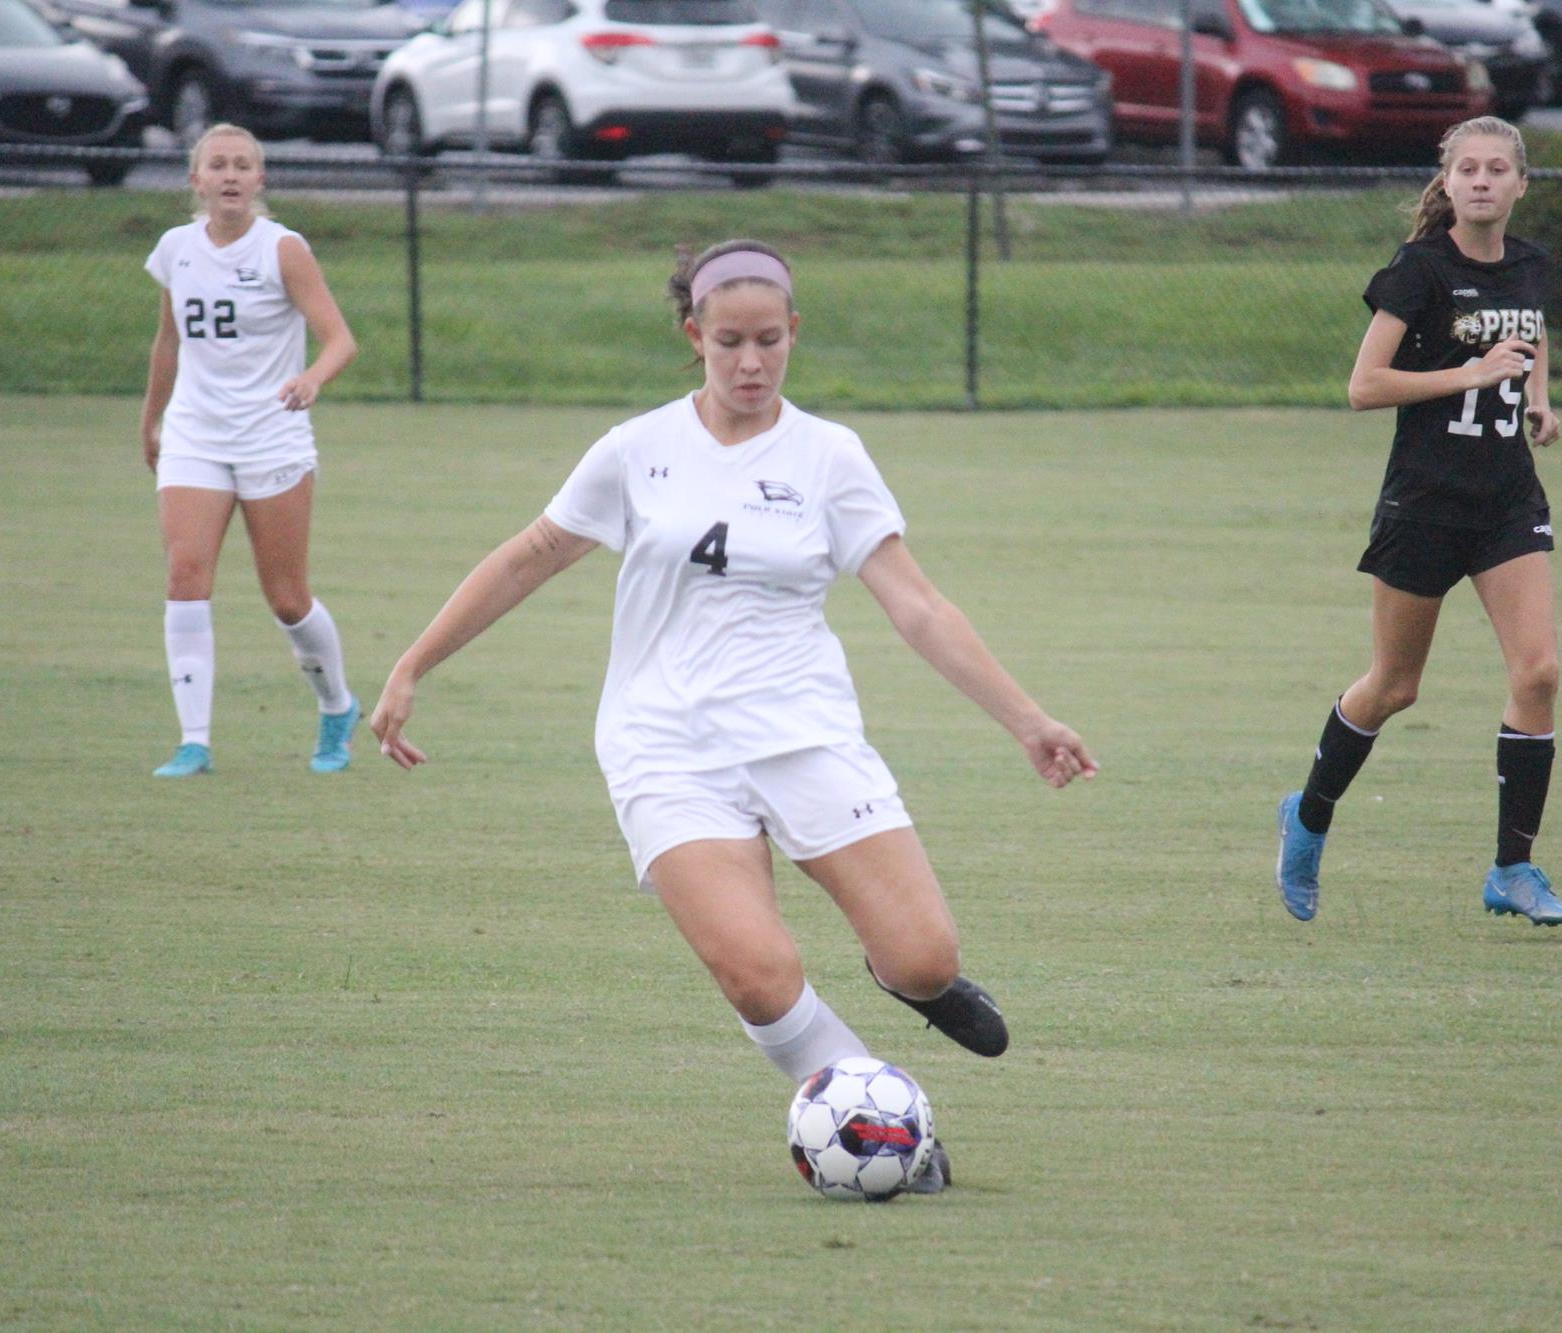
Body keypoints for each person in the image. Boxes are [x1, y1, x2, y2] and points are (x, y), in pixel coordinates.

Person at [371, 239, 1098, 1191]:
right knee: (758, 973)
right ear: (694, 337)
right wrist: (414, 662)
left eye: (768, 341)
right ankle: (885, 1124)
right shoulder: (637, 449)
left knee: (926, 958)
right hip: (664, 745)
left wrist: (1026, 717)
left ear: (794, 333)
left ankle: (911, 988)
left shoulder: (831, 456)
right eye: (728, 343)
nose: (750, 363)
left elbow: (916, 605)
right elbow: (531, 553)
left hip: (805, 735)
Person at [1275, 116, 1562, 927]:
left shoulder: (1528, 265)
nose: (1481, 181)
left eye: (1496, 170)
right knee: (1394, 687)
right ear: (1446, 184)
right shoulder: (1420, 270)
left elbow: (1531, 329)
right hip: (1425, 505)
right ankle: (1307, 815)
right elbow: (1364, 386)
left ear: (1521, 184)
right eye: (1467, 170)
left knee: (1539, 672)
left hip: (1507, 500)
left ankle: (1513, 869)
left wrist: (1539, 398)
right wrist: (1469, 372)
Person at [141, 123, 360, 778]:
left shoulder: (283, 249)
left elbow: (340, 340)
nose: (230, 175)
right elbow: (169, 343)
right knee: (186, 576)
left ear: (259, 180)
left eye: (242, 165)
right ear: (196, 180)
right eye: (218, 165)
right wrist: (151, 420)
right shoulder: (176, 249)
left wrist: (311, 379)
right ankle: (194, 741)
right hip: (195, 434)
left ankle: (337, 706)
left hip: (271, 432)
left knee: (287, 597)